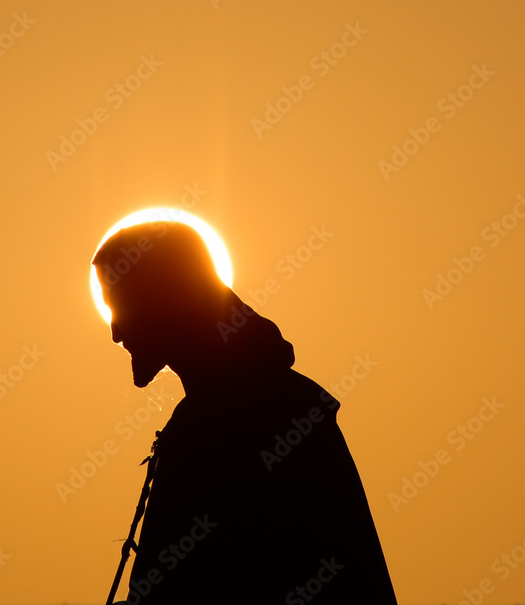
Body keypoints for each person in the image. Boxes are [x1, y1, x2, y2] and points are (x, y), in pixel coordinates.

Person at [91, 218, 398, 604]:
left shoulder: (248, 417)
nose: (116, 332)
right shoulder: (267, 404)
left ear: (165, 299)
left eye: (119, 304)